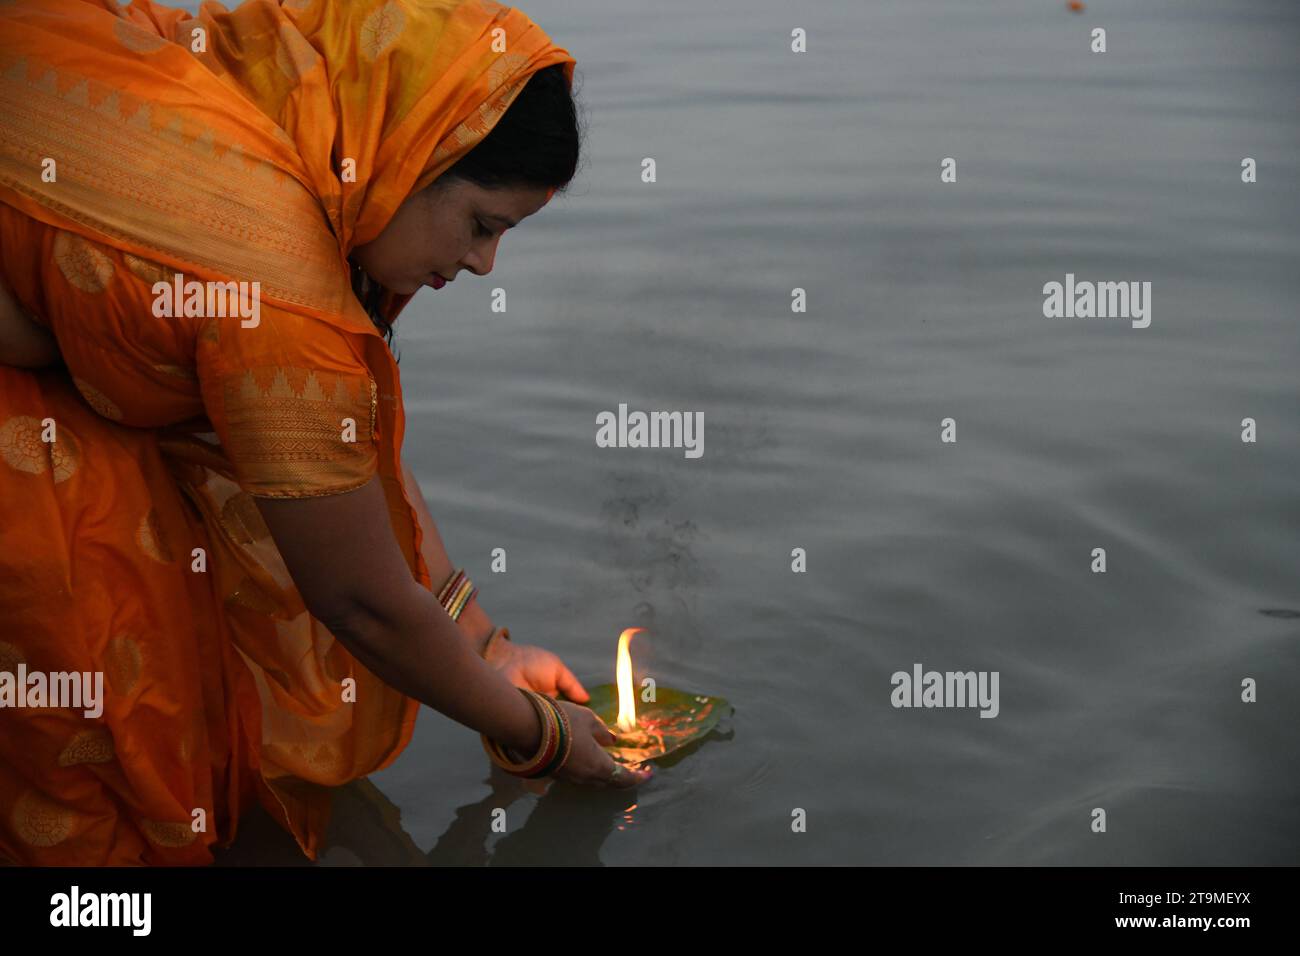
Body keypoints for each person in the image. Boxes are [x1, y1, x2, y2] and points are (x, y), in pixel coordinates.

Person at [0, 0, 649, 867]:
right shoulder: (274, 282)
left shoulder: (276, 100)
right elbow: (362, 603)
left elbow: (348, 463)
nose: (484, 265)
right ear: (415, 155)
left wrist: (486, 643)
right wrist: (537, 737)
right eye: (483, 225)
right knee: (103, 710)